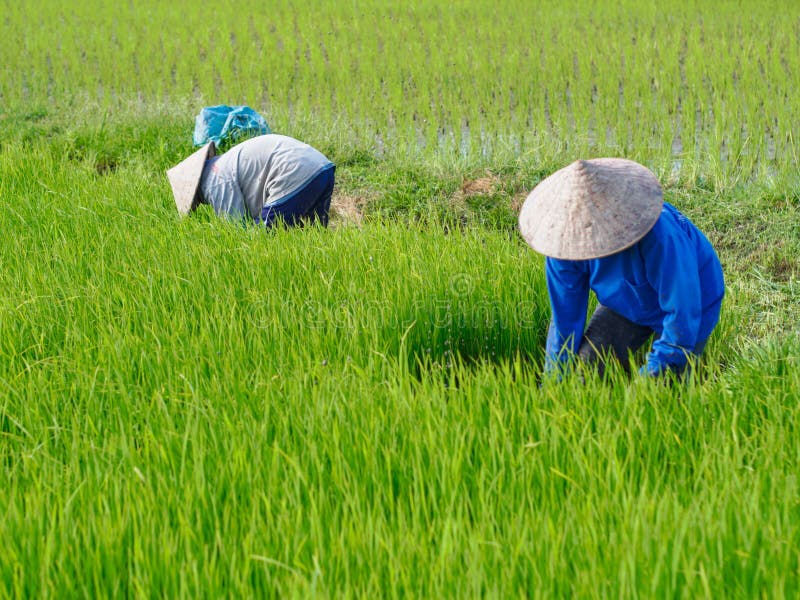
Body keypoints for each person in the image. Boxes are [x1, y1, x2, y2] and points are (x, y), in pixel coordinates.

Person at [518, 158, 725, 379]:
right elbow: (564, 325)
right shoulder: (565, 248)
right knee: (583, 374)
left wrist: (647, 381)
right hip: (624, 303)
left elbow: (682, 316)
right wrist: (553, 386)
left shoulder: (660, 238)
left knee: (662, 394)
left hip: (693, 300)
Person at [166, 133, 335, 227]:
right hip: (322, 167)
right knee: (311, 235)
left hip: (294, 173)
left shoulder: (214, 182)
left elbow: (239, 228)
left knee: (263, 237)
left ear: (193, 192)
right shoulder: (221, 164)